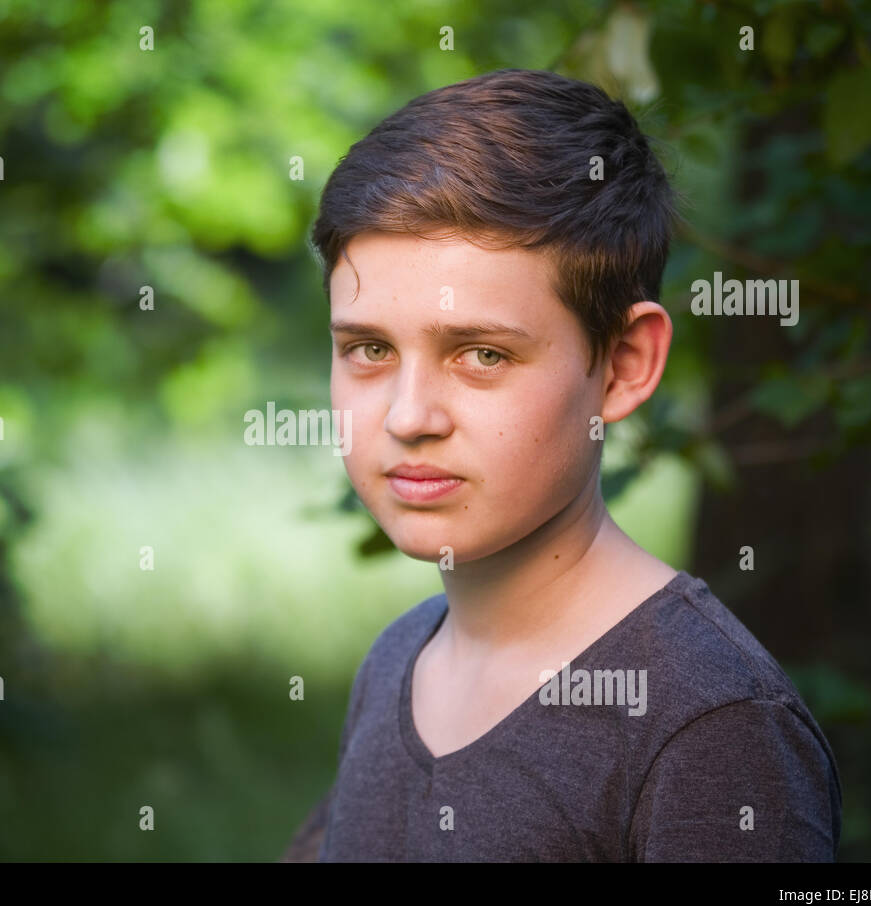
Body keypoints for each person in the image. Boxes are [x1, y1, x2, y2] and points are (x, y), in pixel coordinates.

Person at [282, 68, 841, 862]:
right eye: (369, 349)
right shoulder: (398, 661)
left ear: (620, 366)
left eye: (481, 354)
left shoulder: (712, 726)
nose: (408, 416)